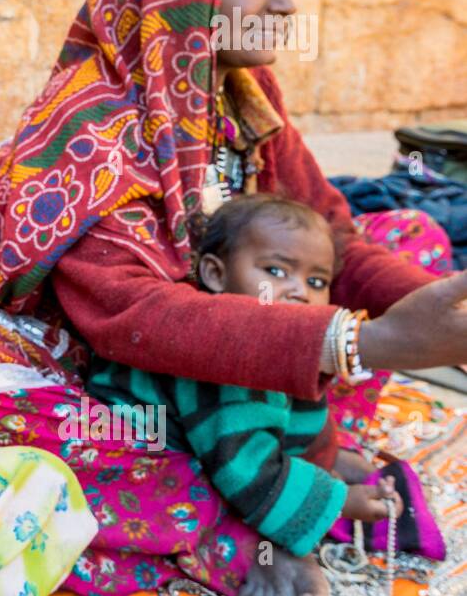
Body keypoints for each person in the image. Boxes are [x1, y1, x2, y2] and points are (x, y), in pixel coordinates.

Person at [0, 0, 467, 596]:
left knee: (416, 240)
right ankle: (232, 521)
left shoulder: (240, 94)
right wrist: (366, 343)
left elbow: (331, 232)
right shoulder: (91, 128)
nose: (286, 3)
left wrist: (440, 313)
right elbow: (139, 321)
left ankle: (271, 466)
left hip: (231, 352)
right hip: (110, 377)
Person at [85, 193, 405, 562]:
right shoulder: (224, 357)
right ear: (216, 275)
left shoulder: (285, 344)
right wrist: (339, 501)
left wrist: (325, 457)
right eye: (275, 272)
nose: (300, 292)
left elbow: (294, 411)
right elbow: (246, 471)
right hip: (139, 438)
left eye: (317, 281)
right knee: (197, 489)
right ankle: (260, 558)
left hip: (221, 435)